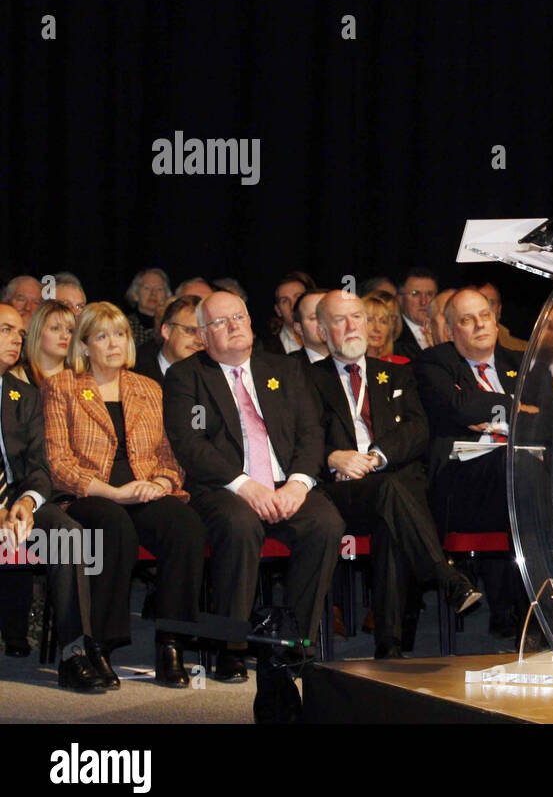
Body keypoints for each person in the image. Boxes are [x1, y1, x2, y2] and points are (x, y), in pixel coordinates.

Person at [413, 288, 553, 634]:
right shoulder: (433, 363)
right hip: (467, 489)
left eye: (484, 316)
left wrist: (494, 412)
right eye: (466, 319)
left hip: (522, 483)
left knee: (532, 470)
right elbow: (462, 408)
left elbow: (547, 415)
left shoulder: (520, 362)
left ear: (496, 318)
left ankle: (546, 623)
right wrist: (515, 406)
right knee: (519, 458)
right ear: (449, 329)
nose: (478, 325)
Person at [162, 290, 344, 683]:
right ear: (203, 335)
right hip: (223, 488)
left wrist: (298, 485)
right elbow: (190, 444)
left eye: (239, 318)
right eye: (220, 322)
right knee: (240, 526)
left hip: (285, 483)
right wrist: (245, 486)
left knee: (325, 524)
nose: (233, 326)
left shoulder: (285, 369)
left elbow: (312, 433)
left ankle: (292, 643)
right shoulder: (186, 376)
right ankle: (232, 646)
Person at [42, 302, 207, 687]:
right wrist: (113, 493)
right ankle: (100, 643)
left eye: (119, 335)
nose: (113, 344)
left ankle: (170, 643)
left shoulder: (148, 388)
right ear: (83, 346)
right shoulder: (62, 387)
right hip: (90, 495)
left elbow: (170, 457)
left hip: (143, 490)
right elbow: (58, 462)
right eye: (101, 336)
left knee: (185, 525)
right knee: (114, 526)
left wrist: (162, 484)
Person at [308, 290, 480, 658]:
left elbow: (418, 429)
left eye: (358, 317)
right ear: (322, 332)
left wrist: (376, 456)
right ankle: (444, 575)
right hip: (339, 492)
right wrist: (333, 457)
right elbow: (293, 439)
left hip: (389, 482)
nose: (353, 326)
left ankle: (389, 648)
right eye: (340, 320)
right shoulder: (305, 378)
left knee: (392, 514)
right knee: (394, 495)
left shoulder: (397, 373)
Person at [0, 302, 106, 689]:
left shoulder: (23, 396)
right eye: (5, 330)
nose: (16, 339)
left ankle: (74, 654)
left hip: (18, 501)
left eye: (18, 333)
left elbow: (39, 467)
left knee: (69, 534)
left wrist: (26, 503)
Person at [134, 294, 204, 384]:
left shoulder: (214, 375)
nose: (199, 341)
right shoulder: (135, 371)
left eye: (204, 333)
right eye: (190, 330)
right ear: (167, 331)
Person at [13, 299, 74, 388]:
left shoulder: (82, 381)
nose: (65, 336)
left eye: (70, 330)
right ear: (37, 332)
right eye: (55, 328)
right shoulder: (15, 378)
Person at [264, 271, 316, 355]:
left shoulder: (331, 338)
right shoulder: (266, 351)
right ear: (278, 310)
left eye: (298, 297)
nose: (293, 305)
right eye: (285, 301)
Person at [393, 268, 438, 359]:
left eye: (429, 294)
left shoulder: (446, 331)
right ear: (400, 299)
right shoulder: (393, 336)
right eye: (415, 294)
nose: (424, 302)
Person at [123, 268, 171, 346]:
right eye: (147, 288)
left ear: (166, 296)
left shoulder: (171, 327)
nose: (153, 293)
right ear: (135, 294)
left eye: (159, 289)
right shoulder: (125, 326)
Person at [477, 281, 528, 352]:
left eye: (491, 303)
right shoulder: (457, 348)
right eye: (477, 303)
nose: (485, 310)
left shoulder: (523, 351)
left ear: (499, 310)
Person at [361, 290, 409, 364]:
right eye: (369, 320)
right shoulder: (348, 365)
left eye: (383, 322)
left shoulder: (401, 365)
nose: (377, 328)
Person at [287, 289, 331, 365]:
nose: (324, 322)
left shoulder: (354, 363)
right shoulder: (287, 368)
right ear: (299, 328)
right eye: (314, 317)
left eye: (330, 315)